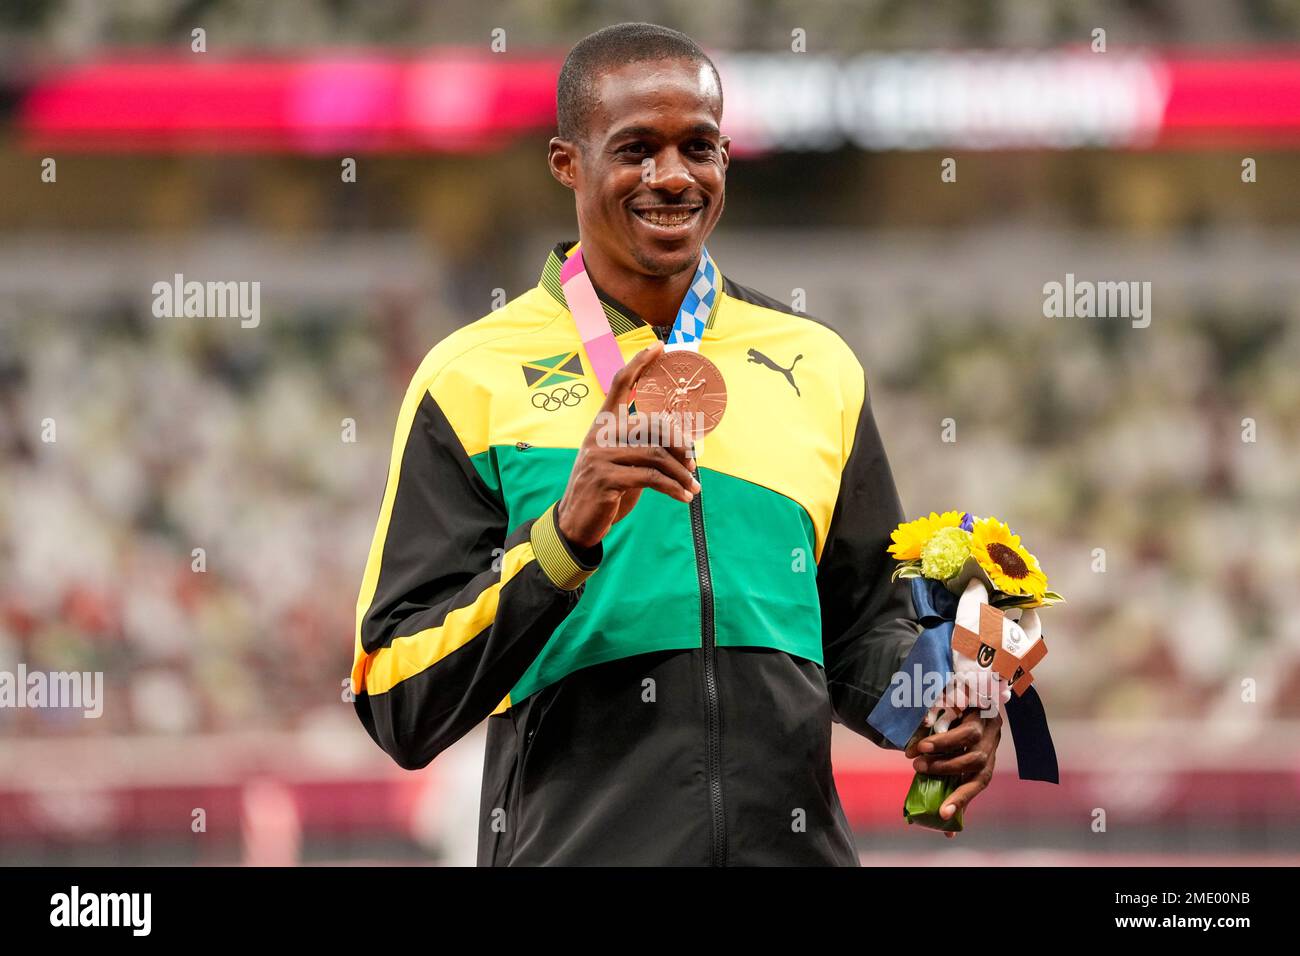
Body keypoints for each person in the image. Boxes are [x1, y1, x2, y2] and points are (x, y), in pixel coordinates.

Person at [350, 21, 1001, 866]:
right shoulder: (469, 379)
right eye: (635, 149)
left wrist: (938, 704)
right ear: (566, 163)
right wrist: (564, 540)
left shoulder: (818, 363)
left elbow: (859, 633)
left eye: (699, 146)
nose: (671, 177)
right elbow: (398, 701)